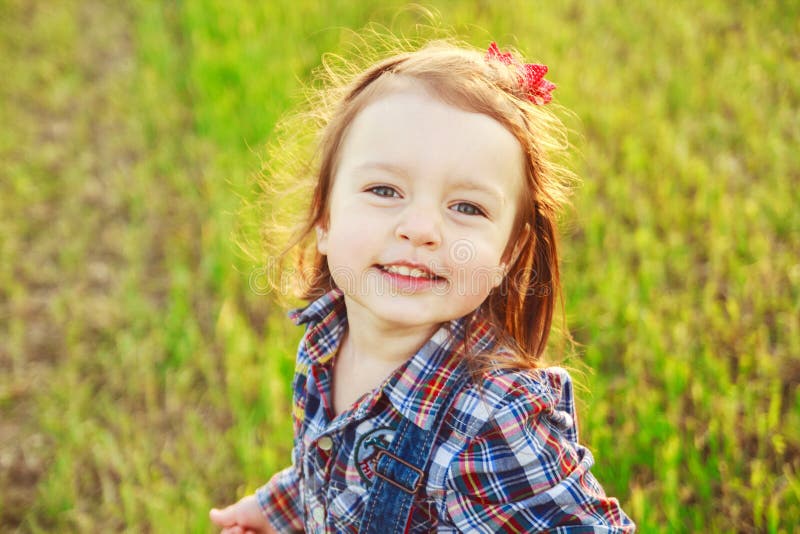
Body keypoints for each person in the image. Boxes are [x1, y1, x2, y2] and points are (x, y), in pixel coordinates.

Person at [210, 36, 635, 533]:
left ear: (509, 253)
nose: (421, 230)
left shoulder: (493, 419)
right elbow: (342, 474)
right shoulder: (326, 339)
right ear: (325, 217)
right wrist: (282, 509)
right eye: (384, 190)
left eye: (467, 207)